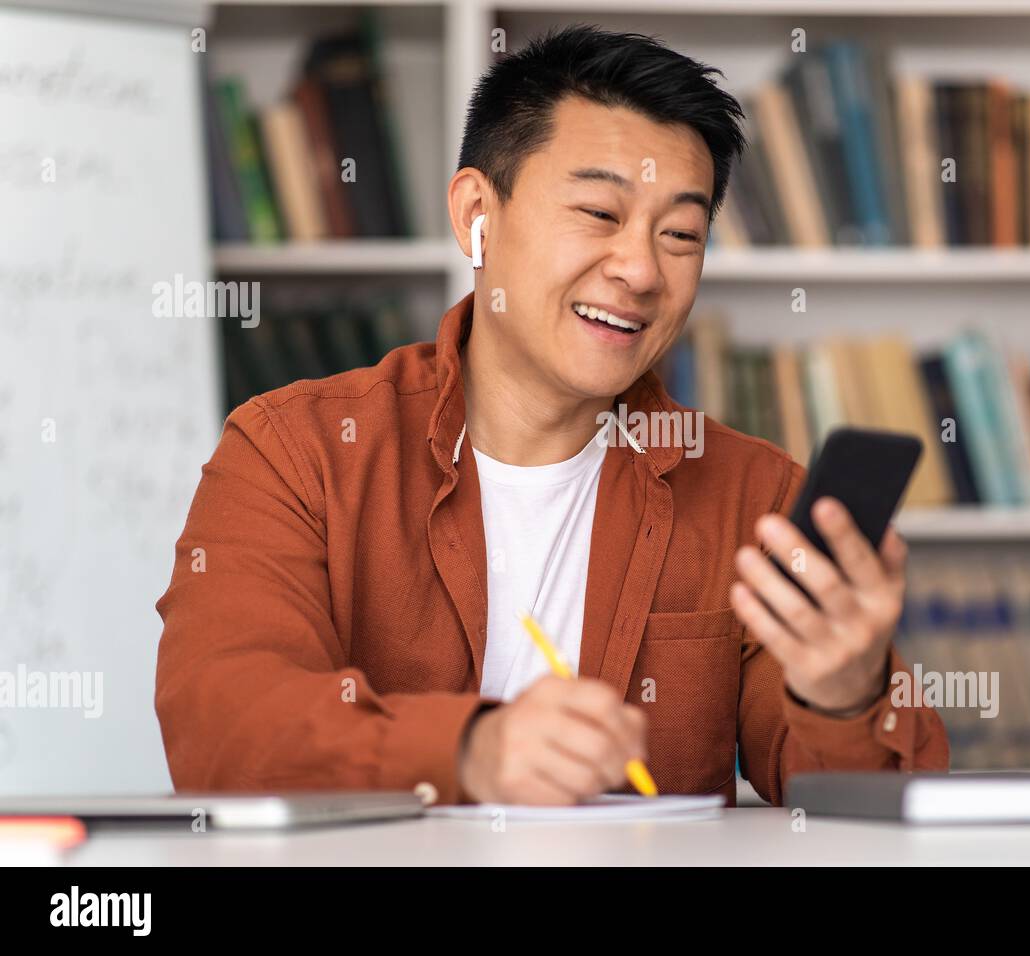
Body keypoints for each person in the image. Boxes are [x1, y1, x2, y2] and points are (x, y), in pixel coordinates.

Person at [155, 24, 948, 807]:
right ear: (477, 215)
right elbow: (224, 730)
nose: (640, 270)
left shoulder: (757, 499)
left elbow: (864, 818)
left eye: (680, 234)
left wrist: (844, 696)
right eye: (599, 214)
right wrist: (471, 751)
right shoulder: (294, 454)